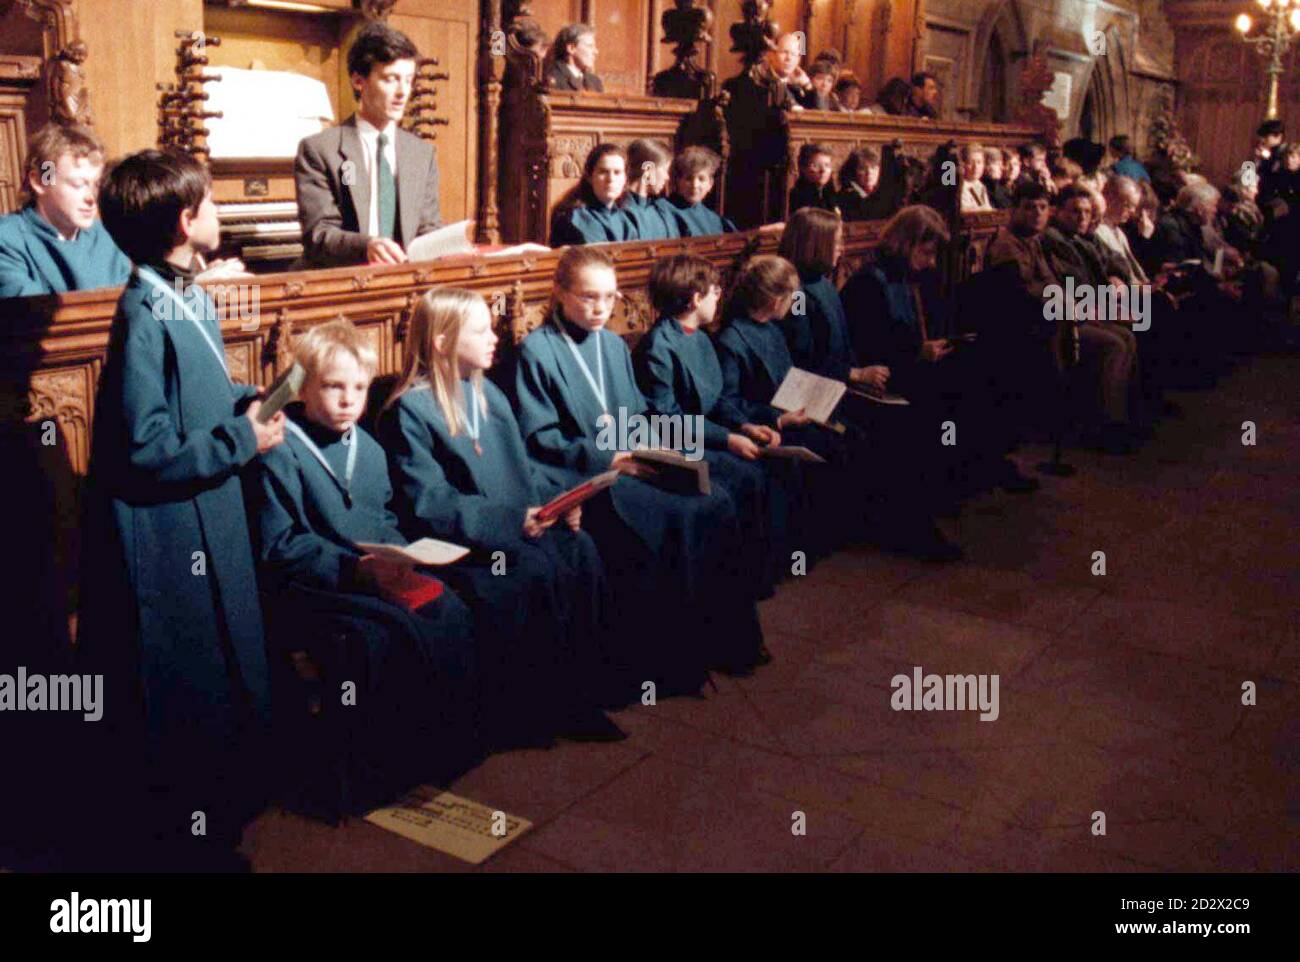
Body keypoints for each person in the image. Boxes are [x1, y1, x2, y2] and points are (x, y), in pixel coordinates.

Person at [78, 148, 286, 869]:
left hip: (209, 508)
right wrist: (240, 440)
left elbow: (196, 392)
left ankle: (221, 822)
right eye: (211, 203)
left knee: (228, 674)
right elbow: (143, 448)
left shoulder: (187, 291)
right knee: (187, 689)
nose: (220, 212)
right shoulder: (143, 309)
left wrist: (242, 404)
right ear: (182, 221)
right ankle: (188, 843)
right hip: (169, 531)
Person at [250, 319, 482, 813]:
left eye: (358, 388)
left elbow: (386, 519)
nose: (347, 400)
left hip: (374, 570)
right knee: (377, 639)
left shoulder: (370, 449)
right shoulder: (280, 449)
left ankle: (427, 758)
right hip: (314, 583)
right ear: (303, 387)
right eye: (332, 386)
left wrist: (404, 556)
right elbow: (279, 544)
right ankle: (368, 777)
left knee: (453, 610)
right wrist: (353, 570)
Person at [513, 246, 768, 687]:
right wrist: (607, 455)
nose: (601, 309)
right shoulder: (538, 350)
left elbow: (636, 417)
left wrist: (656, 452)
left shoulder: (612, 345)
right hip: (586, 473)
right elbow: (540, 438)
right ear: (559, 293)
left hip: (632, 457)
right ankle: (671, 660)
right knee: (680, 516)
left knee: (715, 499)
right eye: (589, 297)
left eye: (610, 298)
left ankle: (724, 640)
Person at [379, 288, 624, 743]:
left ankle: (584, 691)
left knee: (580, 549)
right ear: (441, 342)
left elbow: (522, 468)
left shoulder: (487, 391)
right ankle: (534, 712)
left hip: (518, 523)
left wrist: (560, 502)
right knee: (529, 571)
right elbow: (429, 503)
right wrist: (513, 520)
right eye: (480, 330)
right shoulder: (411, 409)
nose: (495, 338)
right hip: (466, 542)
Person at [779, 208, 962, 560]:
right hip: (809, 391)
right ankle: (906, 528)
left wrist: (859, 374)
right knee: (904, 423)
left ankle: (909, 515)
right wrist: (854, 375)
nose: (841, 249)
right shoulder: (798, 292)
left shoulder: (824, 284)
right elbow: (800, 359)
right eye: (835, 242)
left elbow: (845, 345)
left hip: (838, 383)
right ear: (815, 243)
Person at [840, 205, 1038, 497]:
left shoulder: (908, 275)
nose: (931, 262)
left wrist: (935, 345)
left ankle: (982, 465)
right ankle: (950, 479)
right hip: (877, 377)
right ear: (906, 243)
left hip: (908, 363)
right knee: (957, 391)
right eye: (926, 253)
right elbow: (869, 346)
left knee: (991, 370)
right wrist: (919, 352)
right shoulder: (871, 281)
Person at [634, 254, 789, 593]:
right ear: (695, 299)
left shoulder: (701, 337)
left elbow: (717, 399)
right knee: (744, 476)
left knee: (763, 470)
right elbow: (665, 420)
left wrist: (744, 426)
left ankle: (755, 576)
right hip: (673, 443)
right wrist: (728, 439)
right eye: (715, 292)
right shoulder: (658, 347)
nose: (720, 297)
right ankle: (731, 583)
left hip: (706, 435)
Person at [295, 22, 441, 266]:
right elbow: (319, 234)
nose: (403, 92)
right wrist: (367, 247)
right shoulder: (320, 151)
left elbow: (428, 228)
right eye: (391, 79)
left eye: (408, 80)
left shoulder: (421, 154)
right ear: (358, 81)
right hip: (345, 281)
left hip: (405, 280)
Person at [0, 123, 130, 298]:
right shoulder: (7, 240)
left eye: (96, 185)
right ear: (40, 181)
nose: (91, 198)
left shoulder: (107, 237)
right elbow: (32, 318)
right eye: (78, 184)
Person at [550, 143, 638, 246]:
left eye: (617, 172)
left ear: (625, 179)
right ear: (589, 177)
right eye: (603, 172)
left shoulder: (625, 219)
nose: (610, 179)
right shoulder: (575, 217)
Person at [664, 146, 736, 236]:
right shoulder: (664, 210)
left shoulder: (714, 219)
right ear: (678, 181)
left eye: (701, 179)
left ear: (710, 184)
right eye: (688, 178)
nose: (695, 185)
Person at [620, 139, 680, 240]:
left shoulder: (663, 210)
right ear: (648, 170)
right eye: (665, 170)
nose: (667, 177)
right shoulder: (621, 210)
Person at [836, 146, 893, 222]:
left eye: (873, 167)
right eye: (862, 168)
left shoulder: (885, 192)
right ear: (853, 171)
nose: (869, 173)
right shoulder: (845, 196)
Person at [546, 23, 604, 92]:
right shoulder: (553, 80)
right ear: (571, 48)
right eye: (590, 46)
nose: (596, 52)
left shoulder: (595, 82)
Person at [788, 143, 839, 214]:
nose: (823, 170)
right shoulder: (796, 197)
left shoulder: (833, 196)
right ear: (803, 168)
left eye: (827, 165)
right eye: (815, 165)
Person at [959, 143, 993, 212]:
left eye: (979, 162)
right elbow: (964, 212)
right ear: (963, 165)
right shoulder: (960, 186)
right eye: (971, 163)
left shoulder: (978, 185)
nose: (976, 167)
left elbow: (984, 208)